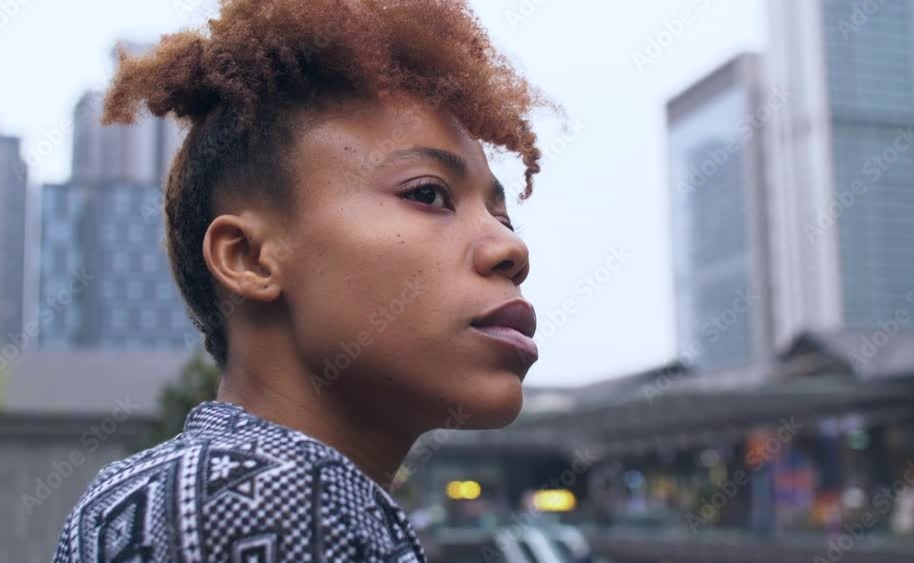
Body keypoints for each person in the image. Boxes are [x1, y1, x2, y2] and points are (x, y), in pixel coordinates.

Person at [50, 0, 555, 561]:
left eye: (502, 217)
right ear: (248, 257)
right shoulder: (269, 495)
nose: (511, 248)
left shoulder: (139, 494)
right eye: (427, 194)